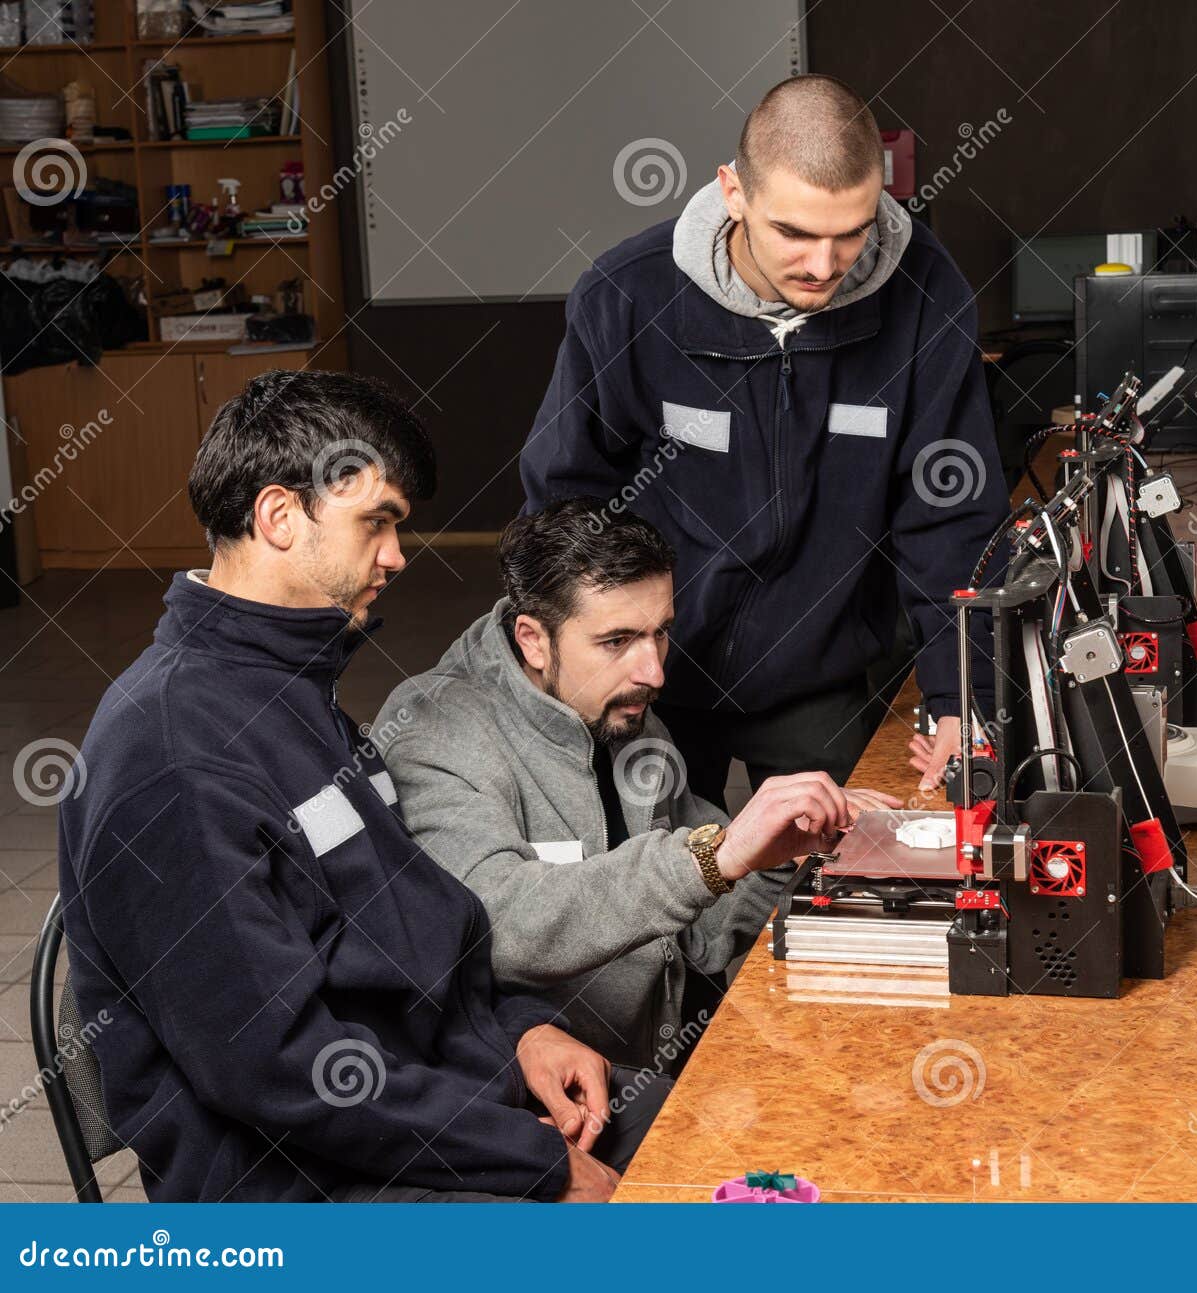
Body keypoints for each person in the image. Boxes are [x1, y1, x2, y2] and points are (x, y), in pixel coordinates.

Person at [57, 370, 632, 1203]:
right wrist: (531, 1160)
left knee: (710, 1124)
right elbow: (279, 1069)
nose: (397, 556)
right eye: (378, 523)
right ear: (280, 516)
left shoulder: (289, 696)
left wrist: (522, 1032)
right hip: (307, 1187)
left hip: (422, 1103)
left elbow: (418, 936)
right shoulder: (176, 754)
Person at [521, 73, 1007, 807]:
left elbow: (952, 517)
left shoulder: (926, 296)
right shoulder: (628, 296)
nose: (822, 266)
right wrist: (583, 677)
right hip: (655, 679)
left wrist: (959, 702)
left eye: (852, 233)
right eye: (795, 233)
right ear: (734, 192)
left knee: (850, 879)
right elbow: (567, 502)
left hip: (825, 673)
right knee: (652, 897)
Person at [374, 497, 899, 1068]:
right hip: (532, 1099)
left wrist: (786, 847)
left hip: (657, 1056)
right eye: (616, 641)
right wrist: (714, 856)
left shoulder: (620, 711)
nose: (653, 672)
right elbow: (498, 927)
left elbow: (697, 928)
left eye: (661, 634)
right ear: (532, 638)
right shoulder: (434, 735)